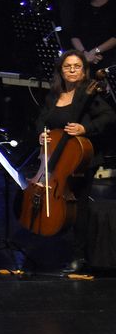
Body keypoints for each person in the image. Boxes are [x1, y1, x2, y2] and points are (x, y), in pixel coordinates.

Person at [33, 50, 115, 273]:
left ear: (84, 70)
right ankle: (62, 245)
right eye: (67, 66)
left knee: (79, 207)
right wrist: (41, 132)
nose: (71, 70)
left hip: (81, 159)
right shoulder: (54, 95)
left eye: (76, 66)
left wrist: (85, 128)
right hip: (58, 159)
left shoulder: (89, 94)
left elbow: (109, 117)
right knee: (65, 204)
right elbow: (42, 119)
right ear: (61, 70)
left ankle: (80, 256)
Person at [71, 0, 115, 67]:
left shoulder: (113, 5)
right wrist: (84, 53)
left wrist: (96, 51)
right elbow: (74, 33)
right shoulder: (82, 5)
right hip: (84, 57)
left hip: (108, 58)